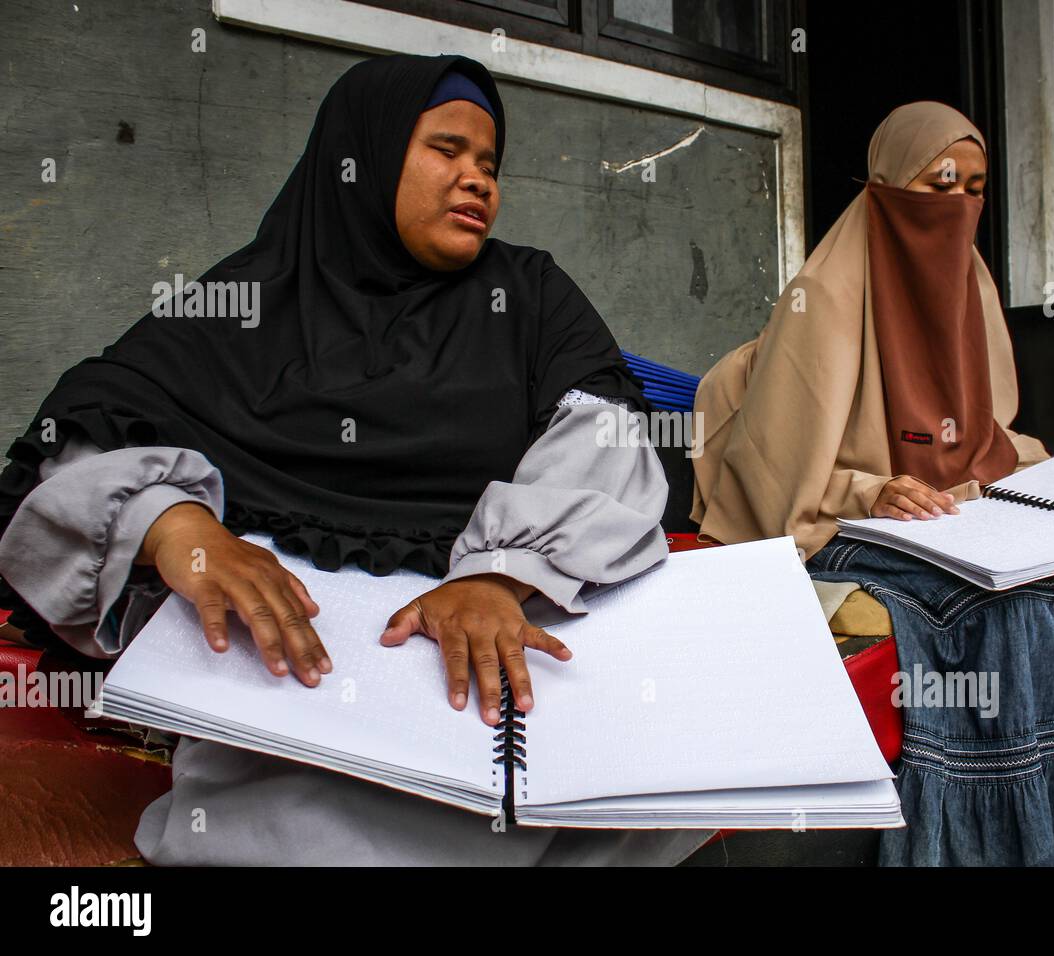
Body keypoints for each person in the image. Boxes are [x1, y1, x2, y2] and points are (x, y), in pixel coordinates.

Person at [0, 53, 716, 866]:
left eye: (490, 163)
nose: (477, 179)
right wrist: (177, 527)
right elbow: (87, 429)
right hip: (302, 675)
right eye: (447, 150)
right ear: (364, 158)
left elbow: (605, 430)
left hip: (507, 624)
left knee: (623, 789)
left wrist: (498, 572)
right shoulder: (247, 304)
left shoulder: (527, 295)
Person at [691, 101, 1054, 866]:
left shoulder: (971, 290)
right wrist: (872, 488)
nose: (957, 207)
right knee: (984, 618)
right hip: (848, 529)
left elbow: (986, 439)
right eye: (939, 183)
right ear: (887, 187)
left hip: (960, 518)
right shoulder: (820, 298)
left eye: (974, 188)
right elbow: (782, 471)